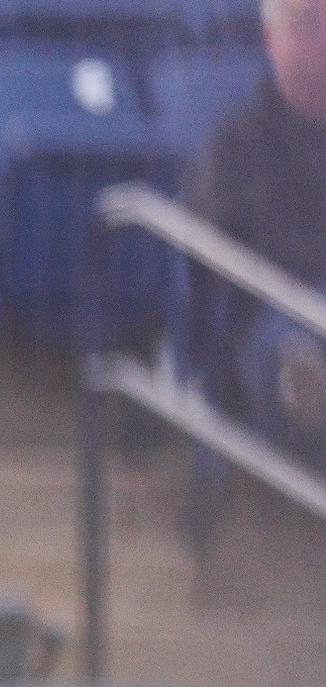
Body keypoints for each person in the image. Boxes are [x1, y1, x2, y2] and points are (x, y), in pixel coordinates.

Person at [185, 0, 326, 456]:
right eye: (307, 26)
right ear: (271, 40)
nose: (321, 41)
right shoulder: (235, 145)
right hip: (266, 317)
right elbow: (235, 256)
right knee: (287, 340)